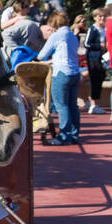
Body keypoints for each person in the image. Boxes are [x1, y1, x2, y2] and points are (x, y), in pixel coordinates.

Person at [37, 11, 80, 145]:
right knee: (73, 105)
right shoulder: (73, 35)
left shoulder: (57, 35)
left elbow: (42, 54)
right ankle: (74, 135)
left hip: (61, 73)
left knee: (62, 106)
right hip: (75, 73)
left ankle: (63, 137)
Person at [79, 10, 107, 116]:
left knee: (101, 78)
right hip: (93, 59)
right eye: (99, 16)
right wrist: (99, 45)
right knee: (95, 80)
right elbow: (87, 43)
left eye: (103, 16)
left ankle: (92, 101)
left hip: (102, 58)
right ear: (95, 17)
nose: (102, 19)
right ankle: (93, 104)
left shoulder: (104, 29)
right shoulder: (93, 29)